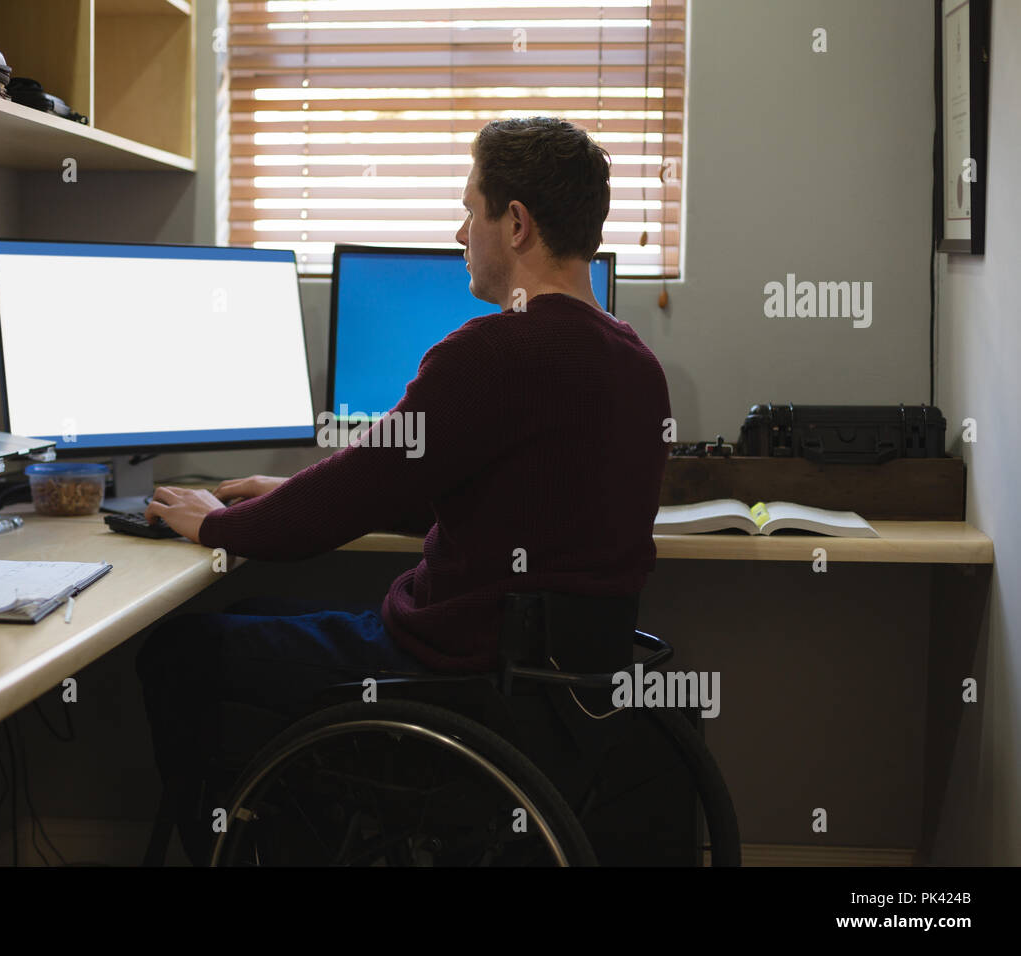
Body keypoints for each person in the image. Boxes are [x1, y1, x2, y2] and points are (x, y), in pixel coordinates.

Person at [135, 116, 672, 864]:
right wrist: (286, 488)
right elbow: (474, 489)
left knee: (181, 647)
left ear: (515, 223)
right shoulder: (637, 364)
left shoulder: (490, 352)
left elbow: (338, 504)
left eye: (469, 209)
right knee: (250, 612)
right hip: (559, 697)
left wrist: (211, 524)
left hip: (449, 677)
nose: (460, 233)